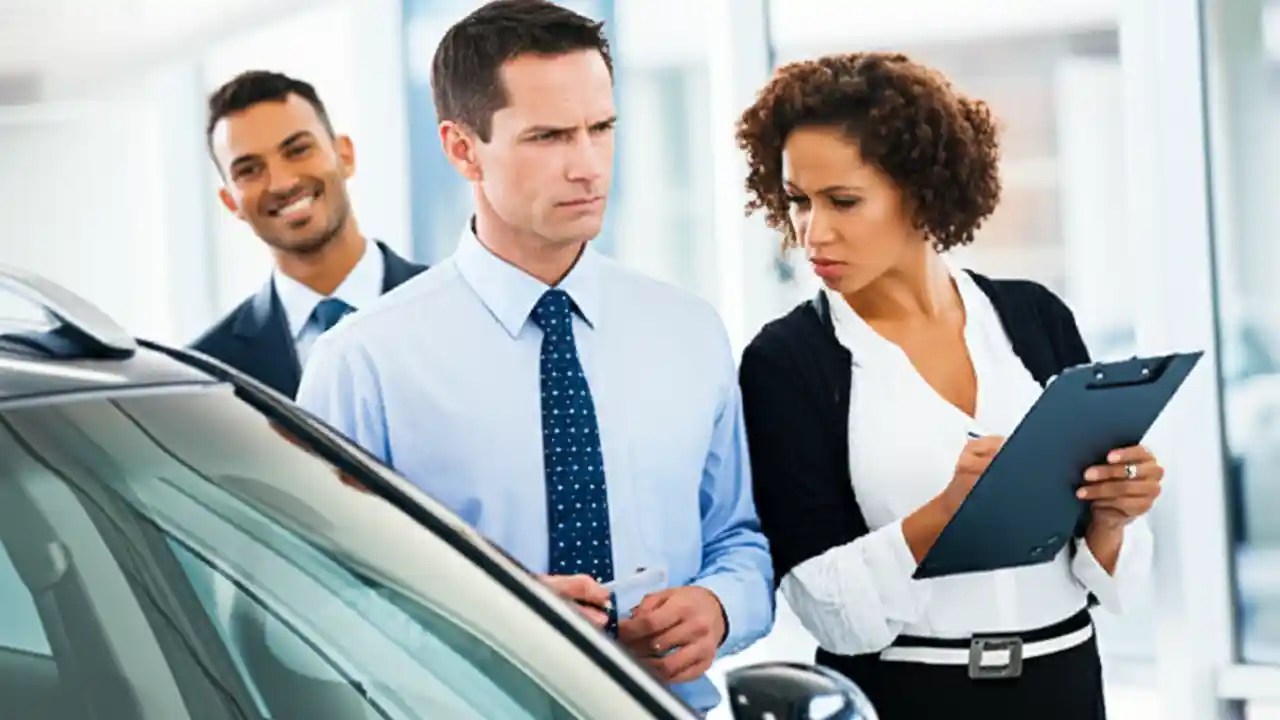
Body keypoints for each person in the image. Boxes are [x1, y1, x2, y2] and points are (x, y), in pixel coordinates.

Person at [296, 0, 773, 714]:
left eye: (602, 129)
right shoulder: (364, 363)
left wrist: (720, 606)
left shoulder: (689, 332)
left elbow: (737, 536)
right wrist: (498, 626)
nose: (587, 165)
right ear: (462, 149)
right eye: (548, 136)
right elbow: (311, 596)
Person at [734, 52, 1160, 718]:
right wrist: (945, 514)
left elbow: (1105, 576)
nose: (812, 231)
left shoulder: (1033, 316)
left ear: (921, 189)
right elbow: (826, 611)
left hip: (1066, 683)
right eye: (797, 202)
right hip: (904, 698)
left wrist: (1112, 515)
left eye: (843, 201)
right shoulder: (787, 361)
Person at [192, 70, 426, 398]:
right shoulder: (206, 372)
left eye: (298, 150)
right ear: (231, 202)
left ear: (345, 155)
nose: (282, 183)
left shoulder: (457, 309)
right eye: (249, 170)